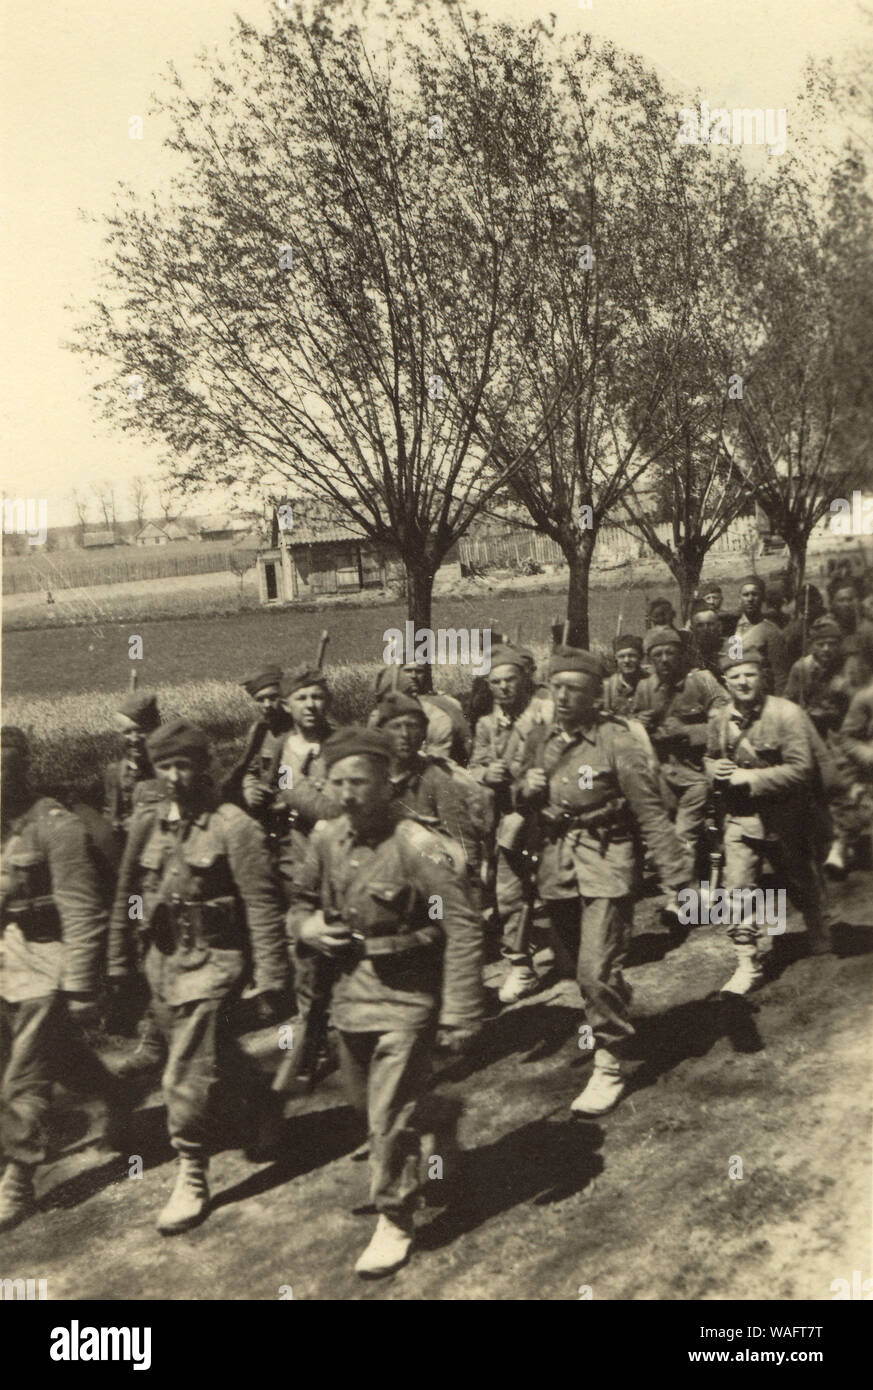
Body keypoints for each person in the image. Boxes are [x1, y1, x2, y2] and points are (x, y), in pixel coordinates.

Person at [287, 727, 485, 1276]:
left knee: (387, 1116)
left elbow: (464, 924)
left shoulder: (415, 843)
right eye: (338, 782)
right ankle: (439, 1114)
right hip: (349, 997)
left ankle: (395, 1217)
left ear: (388, 783)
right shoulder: (327, 839)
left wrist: (461, 1009)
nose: (348, 794)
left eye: (360, 782)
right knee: (365, 1105)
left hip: (407, 995)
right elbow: (299, 903)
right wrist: (307, 928)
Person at [108, 720, 290, 1235]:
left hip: (215, 962)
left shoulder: (233, 825)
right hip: (163, 962)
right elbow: (127, 893)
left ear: (203, 766)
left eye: (184, 764)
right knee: (212, 1056)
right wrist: (120, 960)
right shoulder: (150, 822)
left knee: (182, 1073)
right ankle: (262, 1102)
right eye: (165, 765)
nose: (174, 775)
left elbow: (262, 905)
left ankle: (192, 1173)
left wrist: (273, 978)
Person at [510, 649, 692, 1116]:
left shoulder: (617, 741)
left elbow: (651, 812)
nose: (564, 697)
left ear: (596, 696)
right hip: (556, 862)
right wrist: (524, 792)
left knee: (593, 971)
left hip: (608, 858)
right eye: (557, 689)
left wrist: (678, 879)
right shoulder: (539, 738)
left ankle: (610, 1062)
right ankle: (611, 993)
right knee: (580, 968)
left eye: (576, 690)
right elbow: (522, 797)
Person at [0, 728, 128, 1232]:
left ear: (21, 771)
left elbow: (82, 909)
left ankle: (18, 1174)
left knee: (24, 1077)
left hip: (49, 962)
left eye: (6, 769)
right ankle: (113, 1098)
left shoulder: (56, 824)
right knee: (59, 1058)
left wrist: (79, 988)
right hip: (9, 955)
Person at [704, 648, 833, 994]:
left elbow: (801, 769)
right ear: (725, 681)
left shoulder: (786, 714)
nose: (743, 682)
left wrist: (751, 779)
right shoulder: (719, 718)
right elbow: (710, 757)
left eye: (750, 674)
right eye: (735, 676)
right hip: (740, 819)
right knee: (737, 890)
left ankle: (818, 926)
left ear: (762, 676)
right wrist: (712, 769)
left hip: (786, 818)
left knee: (799, 878)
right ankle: (748, 961)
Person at [467, 645, 550, 1003]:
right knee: (510, 893)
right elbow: (471, 768)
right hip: (512, 819)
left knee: (558, 887)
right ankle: (520, 965)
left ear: (524, 679)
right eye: (496, 682)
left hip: (549, 814)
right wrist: (486, 772)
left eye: (510, 680)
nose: (503, 688)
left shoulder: (545, 714)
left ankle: (568, 951)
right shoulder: (486, 724)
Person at [631, 628, 728, 865]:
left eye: (670, 653)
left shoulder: (702, 681)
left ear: (682, 654)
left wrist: (688, 732)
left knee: (685, 833)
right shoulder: (645, 688)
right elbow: (631, 730)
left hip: (698, 769)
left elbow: (728, 720)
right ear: (649, 660)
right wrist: (638, 724)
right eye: (657, 655)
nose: (664, 659)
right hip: (662, 771)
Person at [373, 691, 488, 890]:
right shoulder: (372, 779)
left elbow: (463, 848)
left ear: (424, 732)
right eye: (396, 726)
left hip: (430, 890)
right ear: (381, 732)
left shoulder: (438, 779)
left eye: (412, 726)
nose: (405, 735)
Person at [784, 617, 866, 877]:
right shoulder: (801, 668)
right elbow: (788, 701)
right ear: (812, 645)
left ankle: (842, 843)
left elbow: (860, 704)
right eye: (821, 644)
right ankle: (825, 840)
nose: (827, 650)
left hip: (839, 733)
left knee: (839, 783)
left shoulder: (846, 668)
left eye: (832, 644)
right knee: (810, 788)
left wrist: (845, 692)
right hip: (809, 732)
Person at [221, 665, 293, 819]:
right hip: (266, 807)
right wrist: (250, 788)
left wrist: (284, 796)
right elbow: (250, 768)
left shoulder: (296, 730)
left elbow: (288, 770)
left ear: (284, 697)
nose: (267, 705)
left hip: (290, 807)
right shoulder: (259, 731)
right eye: (260, 700)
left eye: (273, 697)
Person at [103, 691, 163, 840]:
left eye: (140, 731)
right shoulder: (115, 772)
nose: (134, 739)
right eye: (127, 732)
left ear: (155, 731)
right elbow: (110, 811)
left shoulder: (165, 769)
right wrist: (114, 822)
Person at [769, 584, 825, 695]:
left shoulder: (829, 622)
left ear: (820, 601)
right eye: (802, 605)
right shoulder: (794, 630)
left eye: (811, 603)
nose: (806, 609)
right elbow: (782, 666)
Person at [732, 576, 781, 675]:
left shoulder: (770, 630)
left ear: (762, 598)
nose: (750, 599)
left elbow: (779, 672)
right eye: (745, 595)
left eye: (754, 594)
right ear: (739, 598)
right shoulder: (730, 626)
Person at [602, 635, 645, 715]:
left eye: (632, 656)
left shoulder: (649, 682)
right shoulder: (609, 686)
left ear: (640, 657)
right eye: (621, 656)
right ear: (616, 659)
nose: (626, 660)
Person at [688, 603, 726, 683]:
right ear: (692, 629)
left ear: (719, 626)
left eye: (710, 624)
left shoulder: (731, 648)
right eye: (700, 625)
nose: (706, 629)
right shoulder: (688, 655)